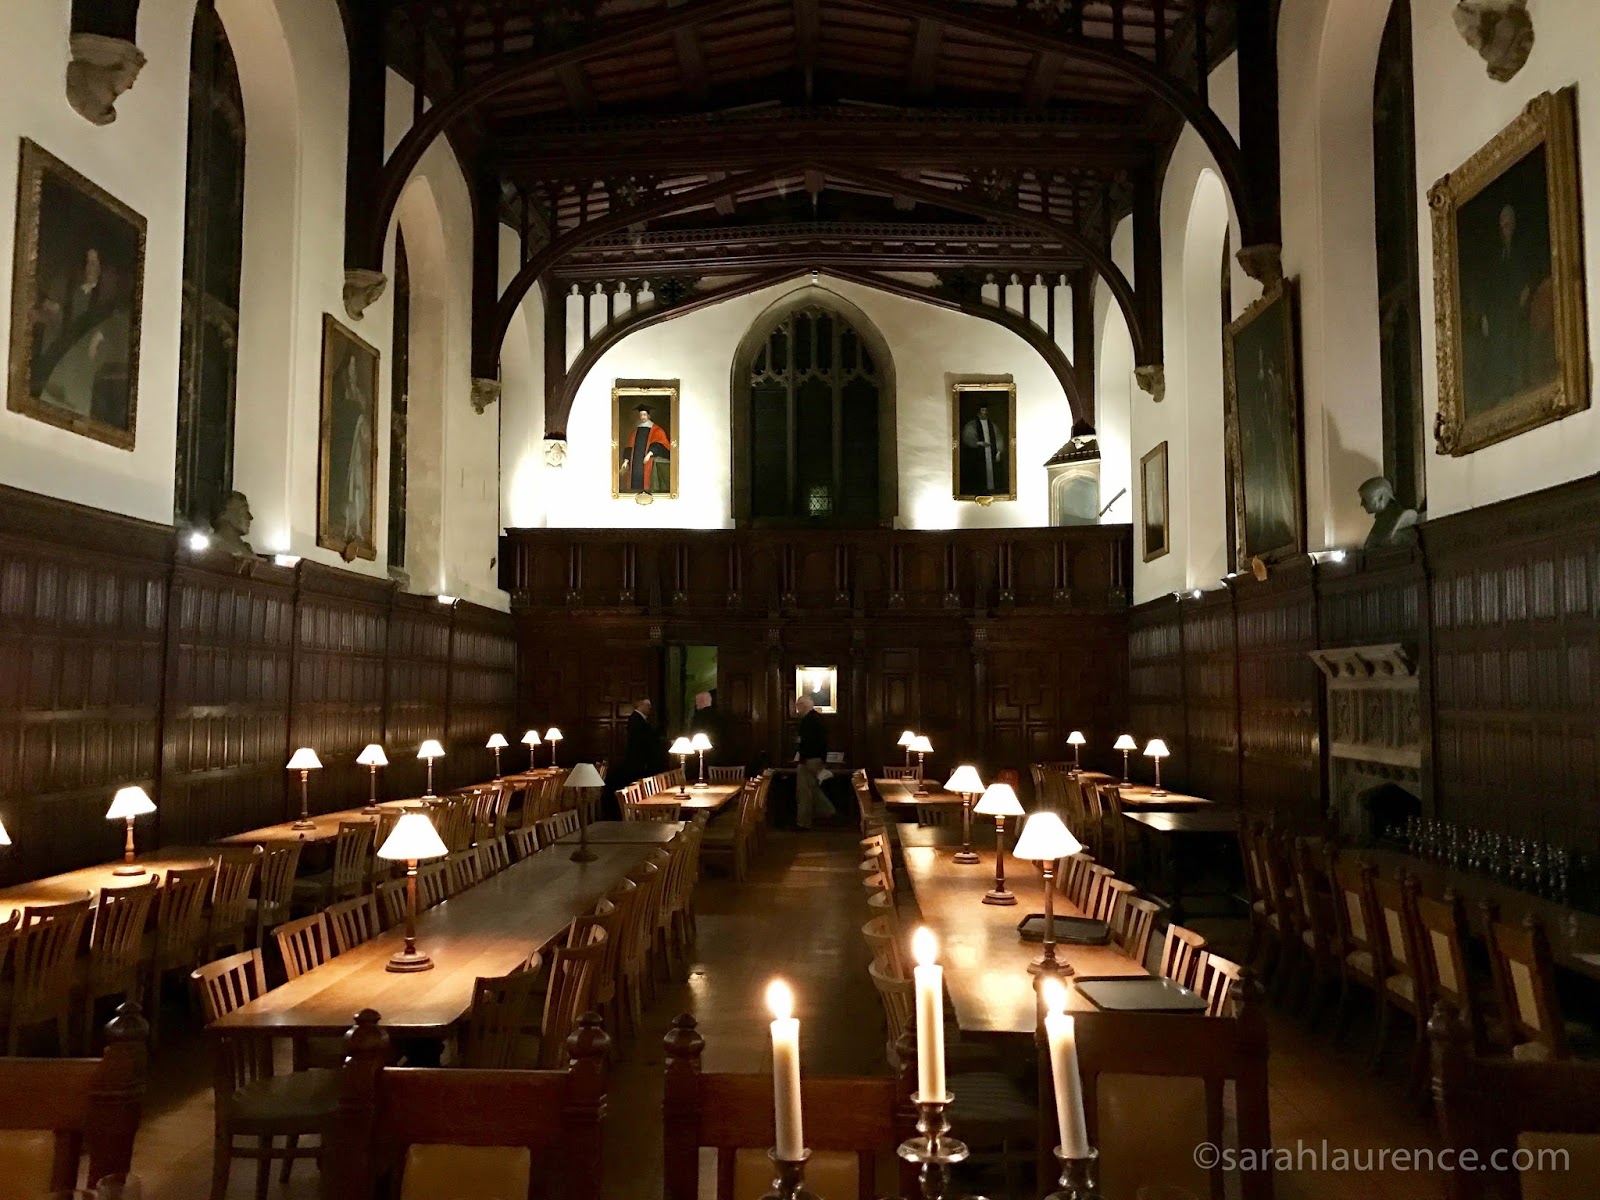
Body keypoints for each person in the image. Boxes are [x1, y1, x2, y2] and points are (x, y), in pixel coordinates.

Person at [604, 697, 663, 818]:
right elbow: (642, 742)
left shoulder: (640, 720)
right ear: (640, 705)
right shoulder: (636, 720)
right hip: (638, 761)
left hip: (640, 761)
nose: (650, 708)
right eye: (648, 705)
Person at [793, 696, 836, 830]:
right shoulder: (818, 719)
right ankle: (829, 813)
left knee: (804, 792)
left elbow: (806, 742)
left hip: (808, 760)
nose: (797, 709)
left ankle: (803, 823)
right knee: (813, 789)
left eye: (798, 706)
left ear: (803, 705)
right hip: (816, 759)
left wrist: (802, 757)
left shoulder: (808, 721)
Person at [619, 404, 671, 494]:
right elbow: (630, 446)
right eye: (641, 415)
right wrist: (626, 461)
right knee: (635, 484)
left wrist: (650, 454)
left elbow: (661, 444)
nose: (642, 417)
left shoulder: (656, 430)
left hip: (647, 461)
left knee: (647, 483)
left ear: (649, 416)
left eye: (644, 415)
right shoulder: (636, 430)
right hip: (635, 464)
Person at [959, 402, 1007, 496]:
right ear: (979, 411)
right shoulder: (972, 424)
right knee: (979, 471)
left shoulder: (992, 425)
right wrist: (978, 443)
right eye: (982, 410)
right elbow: (967, 437)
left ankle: (991, 489)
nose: (984, 412)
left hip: (990, 453)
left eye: (985, 410)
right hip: (978, 453)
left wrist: (998, 452)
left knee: (992, 473)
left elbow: (999, 438)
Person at [1359, 476, 1420, 548]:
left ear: (1381, 497)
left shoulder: (1405, 515)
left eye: (1365, 499)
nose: (1361, 504)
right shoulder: (1380, 520)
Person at [688, 690, 726, 765]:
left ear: (701, 701)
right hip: (720, 754)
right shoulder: (720, 715)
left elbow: (693, 734)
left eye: (696, 701)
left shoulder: (698, 717)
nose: (696, 704)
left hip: (702, 754)